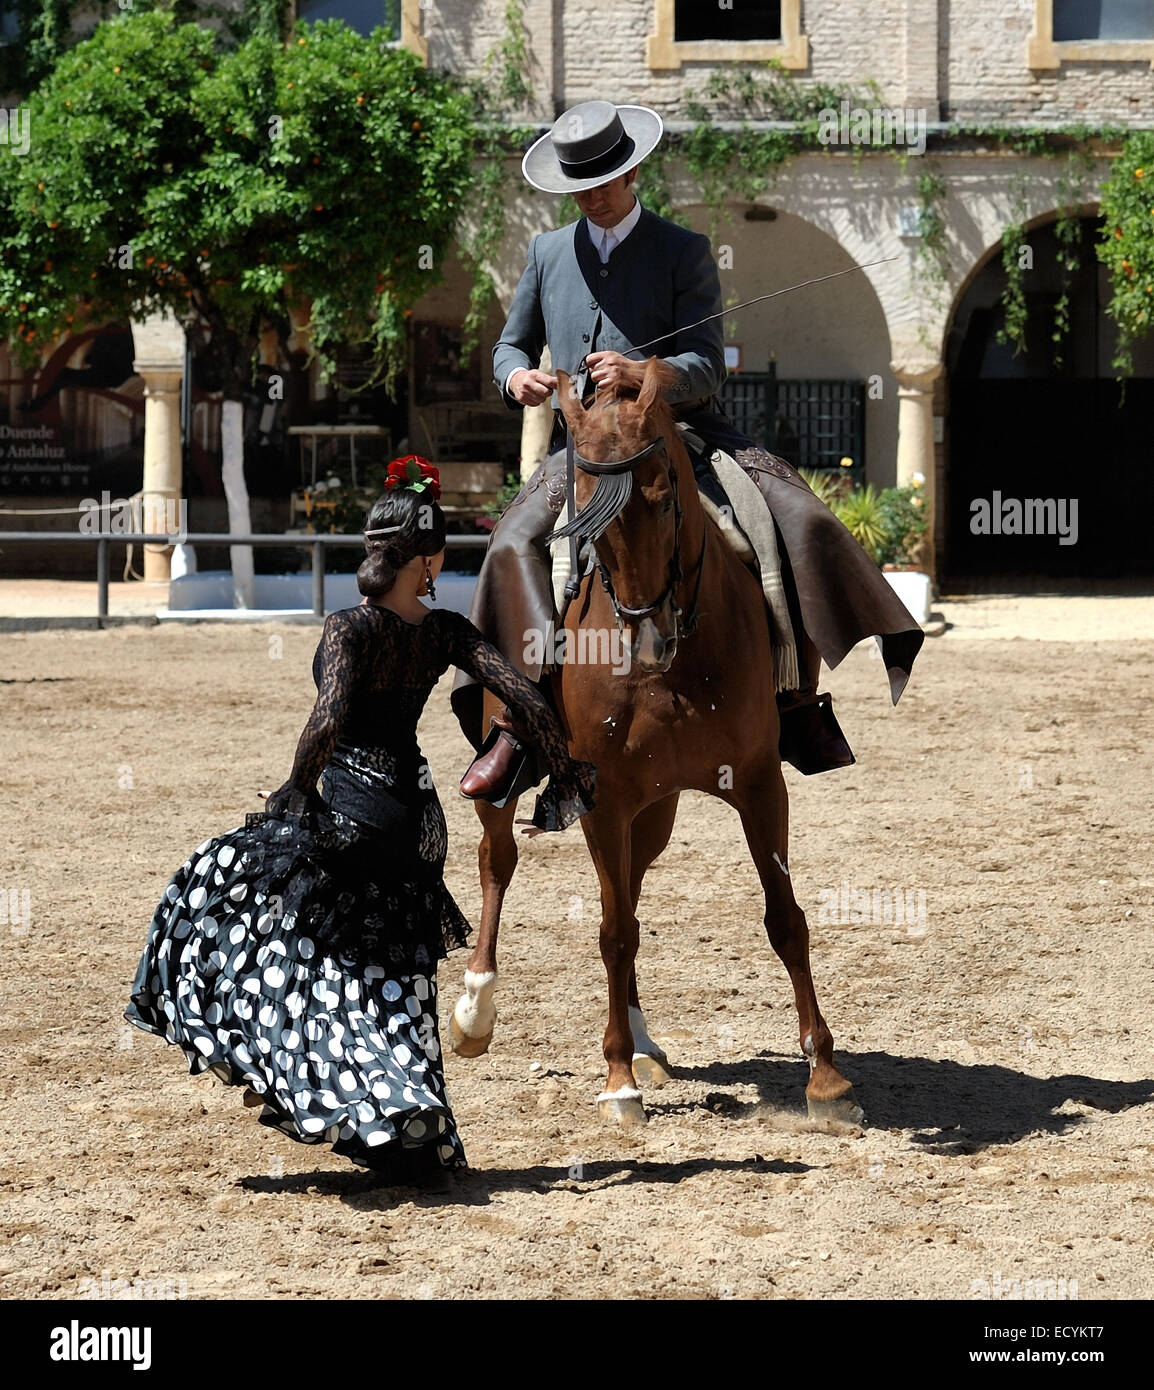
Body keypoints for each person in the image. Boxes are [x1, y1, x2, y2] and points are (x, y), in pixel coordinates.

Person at [125, 457, 596, 1187]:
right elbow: (528, 703)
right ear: (431, 562)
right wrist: (564, 778)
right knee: (396, 969)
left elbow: (328, 720)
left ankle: (338, 1092)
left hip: (351, 809)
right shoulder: (442, 632)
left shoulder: (349, 626)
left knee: (221, 890)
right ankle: (409, 1125)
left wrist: (294, 791)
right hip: (417, 823)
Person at [452, 99, 924, 792]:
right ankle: (517, 723)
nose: (592, 199)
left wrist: (646, 372)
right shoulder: (546, 252)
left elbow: (710, 363)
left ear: (633, 170)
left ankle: (794, 698)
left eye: (603, 186)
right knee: (511, 543)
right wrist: (514, 375)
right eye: (579, 189)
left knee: (793, 521)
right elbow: (510, 343)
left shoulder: (683, 251)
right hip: (583, 448)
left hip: (685, 437)